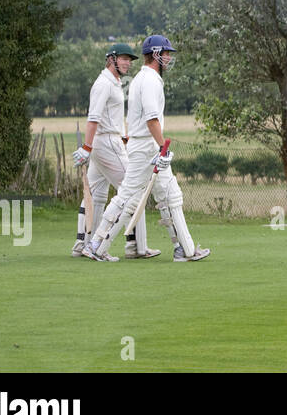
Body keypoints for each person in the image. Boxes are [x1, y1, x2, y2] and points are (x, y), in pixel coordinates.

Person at [85, 35, 210, 262]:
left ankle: (184, 249)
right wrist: (163, 147)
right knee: (128, 196)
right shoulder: (150, 81)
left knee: (170, 196)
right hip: (146, 147)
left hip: (144, 145)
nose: (169, 57)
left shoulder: (141, 79)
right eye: (166, 53)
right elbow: (152, 120)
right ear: (155, 54)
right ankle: (96, 245)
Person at [70, 42, 159, 260]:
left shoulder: (114, 82)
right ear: (112, 59)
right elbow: (94, 118)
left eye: (130, 59)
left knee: (96, 195)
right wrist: (87, 147)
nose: (128, 63)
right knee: (133, 191)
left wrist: (123, 136)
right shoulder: (104, 84)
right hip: (106, 143)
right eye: (123, 59)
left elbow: (112, 117)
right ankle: (130, 246)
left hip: (108, 141)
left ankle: (82, 243)